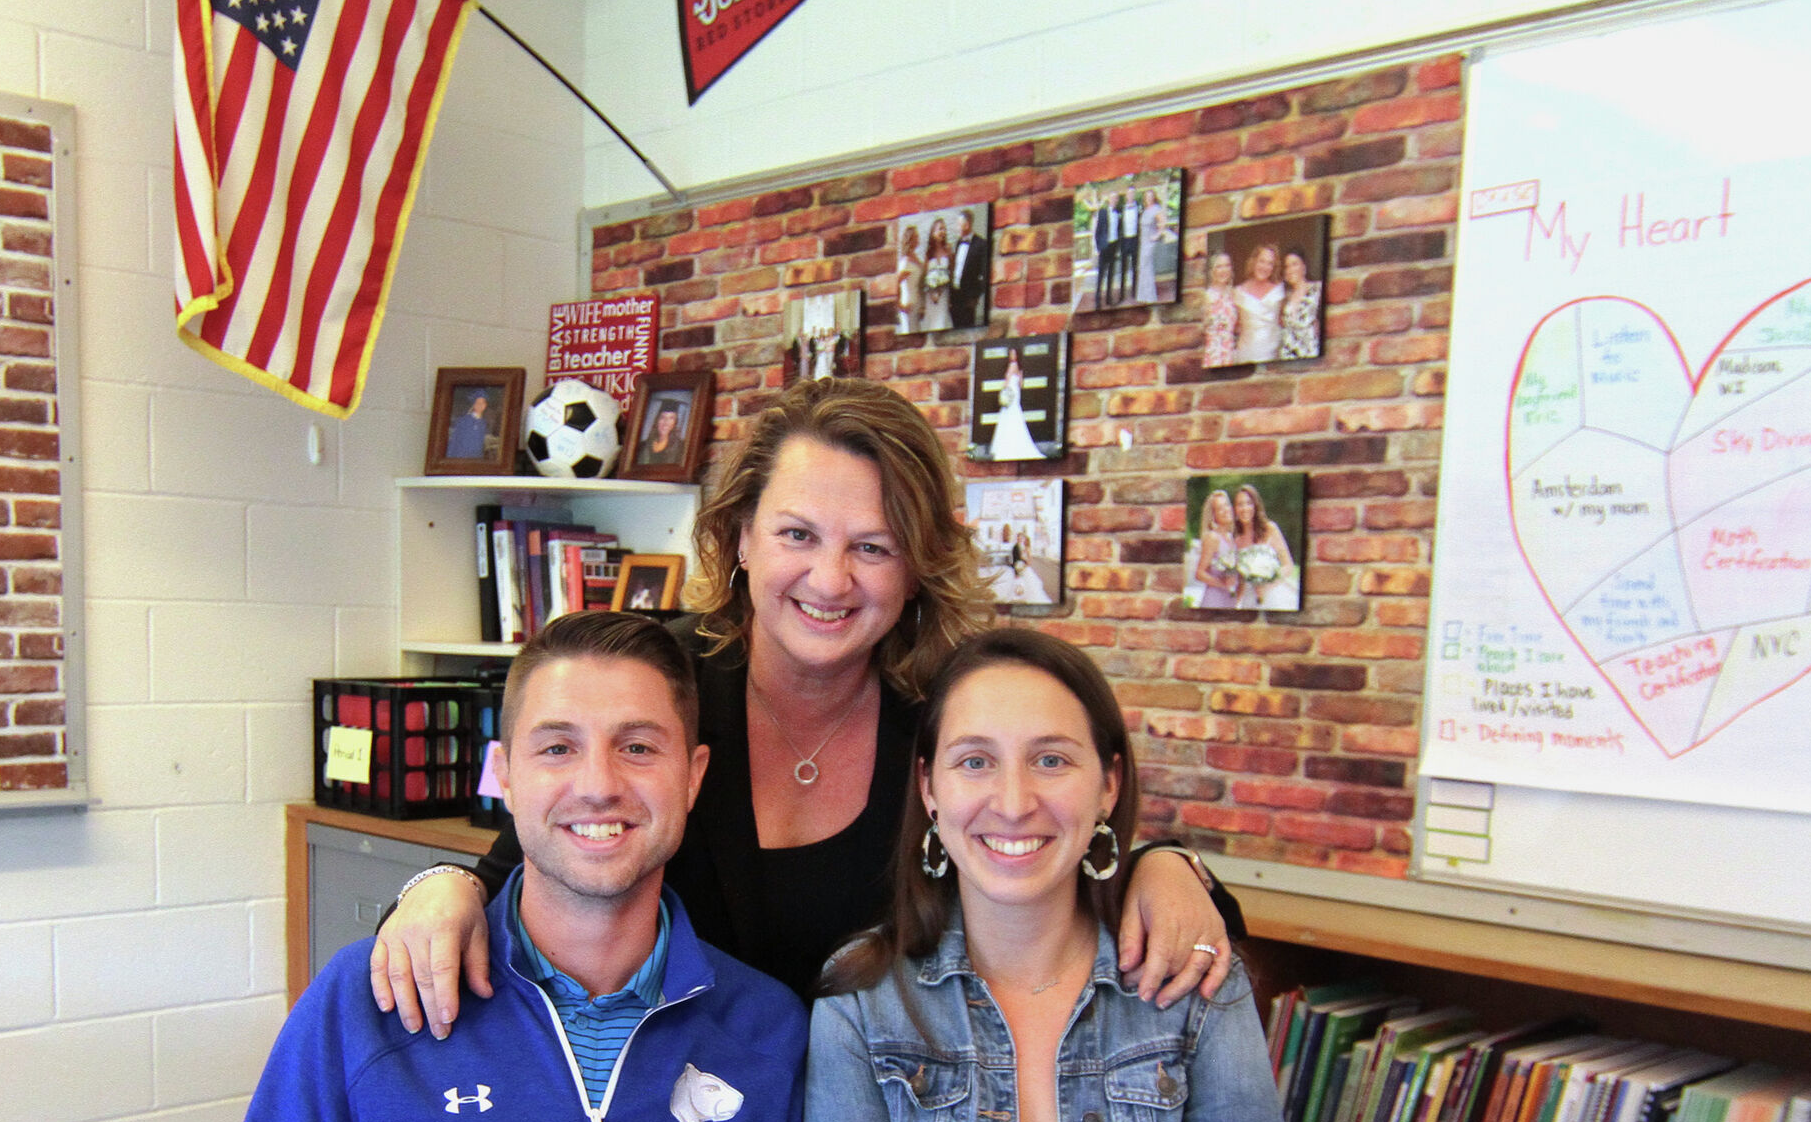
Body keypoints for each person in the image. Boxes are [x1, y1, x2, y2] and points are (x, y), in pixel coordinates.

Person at [370, 376, 1235, 1032]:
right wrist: (439, 888)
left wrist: (1164, 866)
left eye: (873, 547)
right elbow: (524, 863)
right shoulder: (656, 684)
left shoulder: (947, 717)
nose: (830, 579)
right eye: (797, 535)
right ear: (742, 535)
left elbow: (1049, 832)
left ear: (917, 567)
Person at [189, 614, 811, 1122]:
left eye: (638, 747)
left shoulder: (765, 1034)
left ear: (693, 775)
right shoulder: (372, 999)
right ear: (506, 775)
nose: (598, 784)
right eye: (558, 747)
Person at [802, 629, 1311, 1122]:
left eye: (1051, 759)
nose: (1014, 802)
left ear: (1108, 783)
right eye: (975, 761)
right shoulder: (862, 1001)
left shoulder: (1194, 986)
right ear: (929, 787)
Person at [1231, 484, 1295, 611]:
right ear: (1235, 509)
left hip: (1273, 597)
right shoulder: (1237, 540)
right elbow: (1241, 581)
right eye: (1240, 504)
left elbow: (1288, 566)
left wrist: (1267, 583)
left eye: (1249, 503)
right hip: (1249, 601)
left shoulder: (1270, 529)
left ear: (1256, 505)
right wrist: (1234, 606)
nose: (1244, 508)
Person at [985, 346, 1041, 462]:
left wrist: (1004, 390)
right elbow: (1020, 383)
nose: (1012, 356)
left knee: (1010, 413)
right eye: (1011, 354)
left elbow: (1007, 381)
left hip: (1011, 391)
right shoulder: (1020, 369)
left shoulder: (1012, 365)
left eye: (1013, 354)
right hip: (1015, 391)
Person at [1232, 243, 1284, 364]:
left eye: (1270, 263)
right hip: (1246, 355)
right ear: (1254, 262)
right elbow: (1233, 325)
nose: (1264, 267)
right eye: (1262, 261)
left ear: (1274, 267)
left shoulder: (1280, 291)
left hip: (1273, 355)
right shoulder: (1238, 292)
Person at [1191, 488, 1240, 609]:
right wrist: (1223, 584)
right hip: (1215, 600)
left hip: (1230, 600)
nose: (1226, 510)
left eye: (1226, 505)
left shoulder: (1231, 538)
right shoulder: (1212, 537)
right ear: (1213, 516)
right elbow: (1199, 573)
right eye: (1220, 508)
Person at [949, 208, 989, 329]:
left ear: (966, 225)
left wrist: (975, 297)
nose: (956, 228)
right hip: (955, 297)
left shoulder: (981, 244)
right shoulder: (958, 243)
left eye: (958, 225)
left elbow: (985, 274)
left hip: (968, 299)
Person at [1278, 248, 1320, 360]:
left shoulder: (1317, 289)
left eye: (1294, 264)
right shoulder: (1285, 297)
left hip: (1311, 353)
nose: (1290, 270)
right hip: (1288, 356)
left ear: (1304, 267)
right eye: (1287, 266)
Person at [1202, 251, 1238, 368]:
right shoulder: (1206, 296)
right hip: (1212, 354)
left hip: (1230, 353)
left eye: (1227, 265)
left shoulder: (1234, 294)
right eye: (1219, 266)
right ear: (1212, 271)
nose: (1224, 270)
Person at [1134, 188, 1166, 305]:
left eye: (1151, 196)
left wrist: (1156, 235)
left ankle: (1150, 296)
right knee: (1143, 267)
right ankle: (1143, 295)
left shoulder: (1156, 209)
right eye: (1147, 196)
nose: (1149, 198)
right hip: (1143, 242)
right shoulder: (1145, 209)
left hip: (1149, 242)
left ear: (1154, 197)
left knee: (1147, 267)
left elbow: (1163, 223)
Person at [922, 218, 954, 332]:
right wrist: (931, 291)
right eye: (940, 229)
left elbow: (952, 271)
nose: (943, 232)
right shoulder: (928, 253)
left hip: (944, 293)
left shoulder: (948, 250)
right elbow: (925, 275)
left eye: (944, 229)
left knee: (943, 320)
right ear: (933, 232)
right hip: (931, 294)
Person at [1092, 191, 1119, 310]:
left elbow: (1119, 229)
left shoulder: (1118, 212)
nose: (1114, 200)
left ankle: (1109, 298)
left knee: (1111, 274)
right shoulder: (1103, 212)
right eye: (1112, 198)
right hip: (1104, 247)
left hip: (1114, 246)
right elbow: (1097, 231)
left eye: (1116, 198)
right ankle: (1097, 301)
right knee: (1101, 274)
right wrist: (1098, 247)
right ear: (1109, 200)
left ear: (1117, 200)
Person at [447, 391, 494, 459]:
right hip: (460, 457)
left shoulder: (483, 423)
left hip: (476, 459)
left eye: (483, 403)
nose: (480, 405)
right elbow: (454, 441)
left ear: (485, 405)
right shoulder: (463, 420)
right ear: (474, 405)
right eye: (478, 403)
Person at [897, 224, 925, 334]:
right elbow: (896, 284)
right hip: (908, 305)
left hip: (917, 303)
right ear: (910, 240)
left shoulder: (915, 257)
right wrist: (900, 306)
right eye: (916, 237)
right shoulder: (906, 262)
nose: (918, 239)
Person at [1117, 186, 1141, 303]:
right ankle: (1122, 293)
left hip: (1135, 240)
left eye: (1132, 193)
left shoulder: (1139, 207)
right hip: (1124, 240)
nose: (1130, 195)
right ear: (1126, 195)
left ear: (1134, 195)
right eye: (1129, 194)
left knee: (1135, 267)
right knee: (1123, 267)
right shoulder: (1121, 208)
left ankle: (1134, 292)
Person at [642, 400, 684, 465]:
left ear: (675, 423)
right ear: (657, 420)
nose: (666, 423)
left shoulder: (680, 448)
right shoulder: (643, 445)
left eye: (671, 418)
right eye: (662, 417)